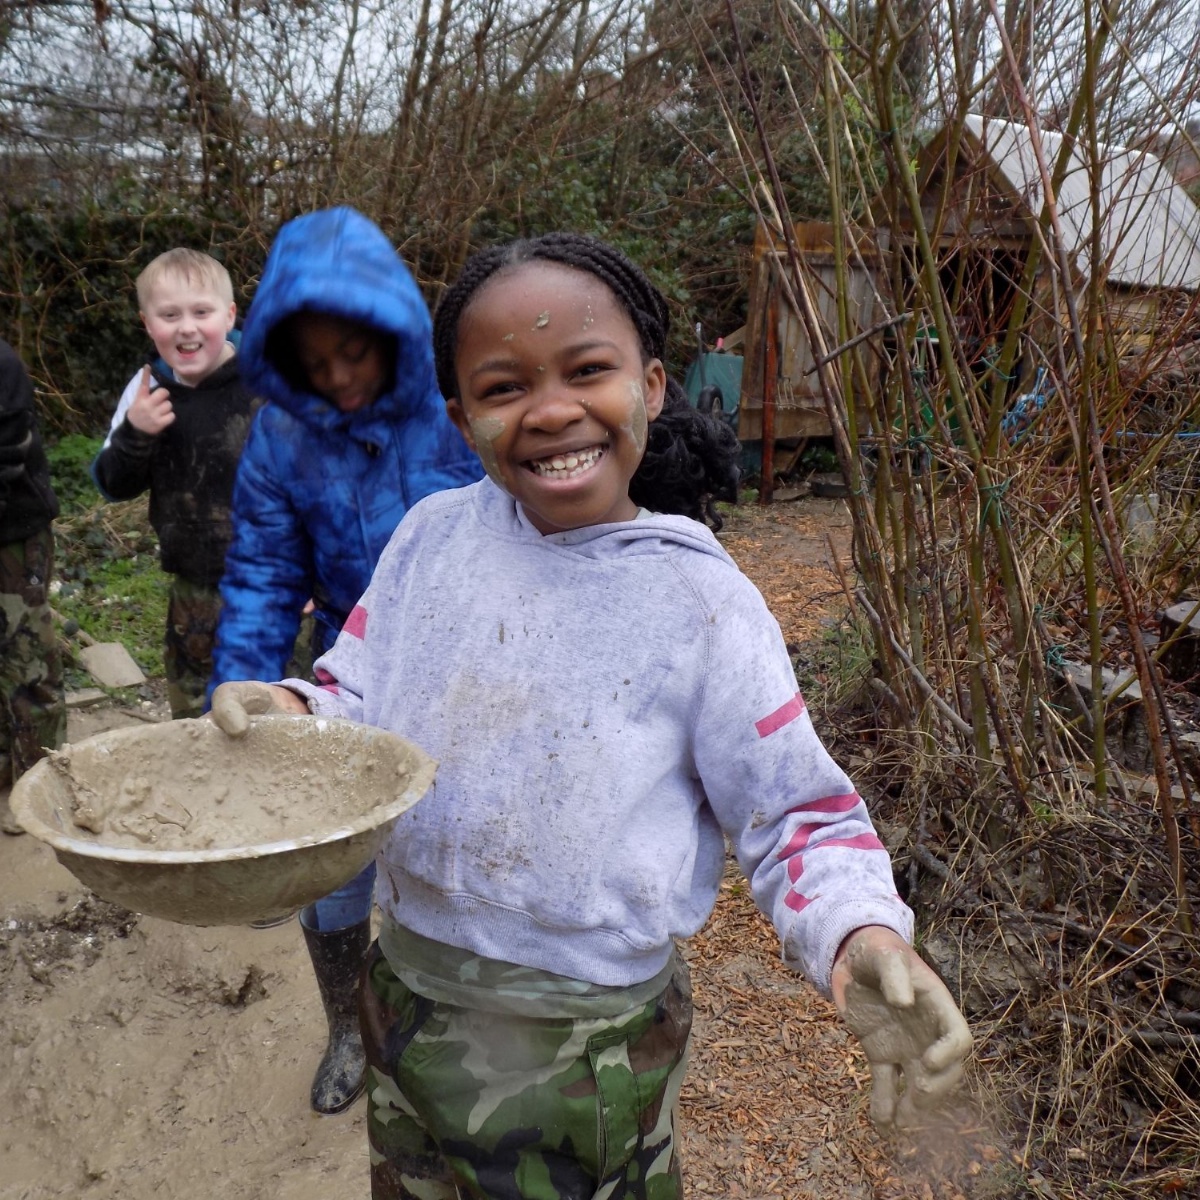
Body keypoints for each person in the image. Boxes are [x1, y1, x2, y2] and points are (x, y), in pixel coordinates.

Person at [211, 233, 972, 1199]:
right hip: (403, 1000)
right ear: (461, 418)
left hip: (587, 1048)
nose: (551, 409)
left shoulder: (699, 603)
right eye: (504, 387)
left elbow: (795, 814)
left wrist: (862, 934)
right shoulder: (427, 543)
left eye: (586, 371)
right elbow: (355, 696)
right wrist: (292, 711)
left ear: (650, 386)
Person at [208, 205, 482, 1117]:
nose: (338, 379)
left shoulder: (459, 410)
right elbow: (263, 575)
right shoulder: (281, 439)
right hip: (347, 676)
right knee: (330, 875)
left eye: (354, 354)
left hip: (473, 671)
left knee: (461, 853)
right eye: (315, 363)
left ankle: (464, 1017)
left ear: (393, 332)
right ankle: (346, 1025)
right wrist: (238, 703)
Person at [91, 248, 262, 721]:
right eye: (170, 316)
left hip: (271, 583)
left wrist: (310, 576)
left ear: (229, 315)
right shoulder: (145, 390)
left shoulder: (267, 384)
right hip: (193, 590)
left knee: (275, 714)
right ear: (148, 324)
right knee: (195, 720)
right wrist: (136, 433)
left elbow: (312, 486)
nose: (187, 328)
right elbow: (112, 484)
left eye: (201, 312)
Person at [0, 338, 66, 836]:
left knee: (27, 664)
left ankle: (41, 783)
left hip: (15, 535)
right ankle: (8, 763)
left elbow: (7, 453)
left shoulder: (3, 365)